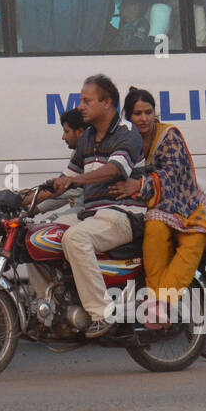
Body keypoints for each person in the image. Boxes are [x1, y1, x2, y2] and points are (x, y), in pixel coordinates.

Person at [110, 88, 206, 320]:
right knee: (154, 232)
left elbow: (174, 174)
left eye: (148, 112)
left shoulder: (168, 136)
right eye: (137, 113)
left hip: (185, 204)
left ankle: (162, 301)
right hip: (151, 208)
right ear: (128, 116)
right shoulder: (125, 139)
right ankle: (153, 302)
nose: (143, 118)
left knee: (195, 239)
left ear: (155, 113)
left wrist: (140, 185)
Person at [48, 74, 145, 338]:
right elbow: (63, 180)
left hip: (123, 214)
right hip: (91, 214)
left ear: (107, 103)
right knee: (36, 234)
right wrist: (25, 199)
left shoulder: (127, 133)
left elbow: (114, 170)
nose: (81, 106)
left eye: (87, 101)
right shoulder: (88, 137)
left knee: (75, 238)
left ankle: (102, 314)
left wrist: (75, 179)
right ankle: (56, 311)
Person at [26, 107, 87, 215]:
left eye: (66, 131)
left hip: (87, 213)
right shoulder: (78, 153)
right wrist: (34, 205)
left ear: (80, 132)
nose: (63, 137)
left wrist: (27, 201)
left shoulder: (92, 152)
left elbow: (65, 188)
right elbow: (60, 190)